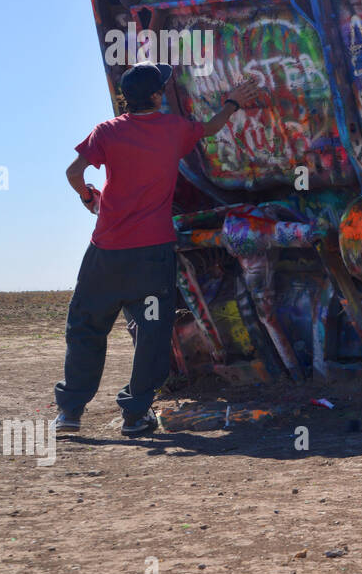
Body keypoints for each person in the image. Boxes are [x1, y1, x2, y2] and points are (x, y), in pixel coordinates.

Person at [54, 63, 261, 437]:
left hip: (106, 252)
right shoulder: (173, 130)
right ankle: (134, 416)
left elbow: (73, 173)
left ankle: (70, 414)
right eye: (162, 87)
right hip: (152, 253)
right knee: (152, 332)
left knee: (85, 327)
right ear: (154, 96)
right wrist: (233, 102)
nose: (166, 91)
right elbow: (212, 128)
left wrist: (89, 197)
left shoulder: (107, 131)